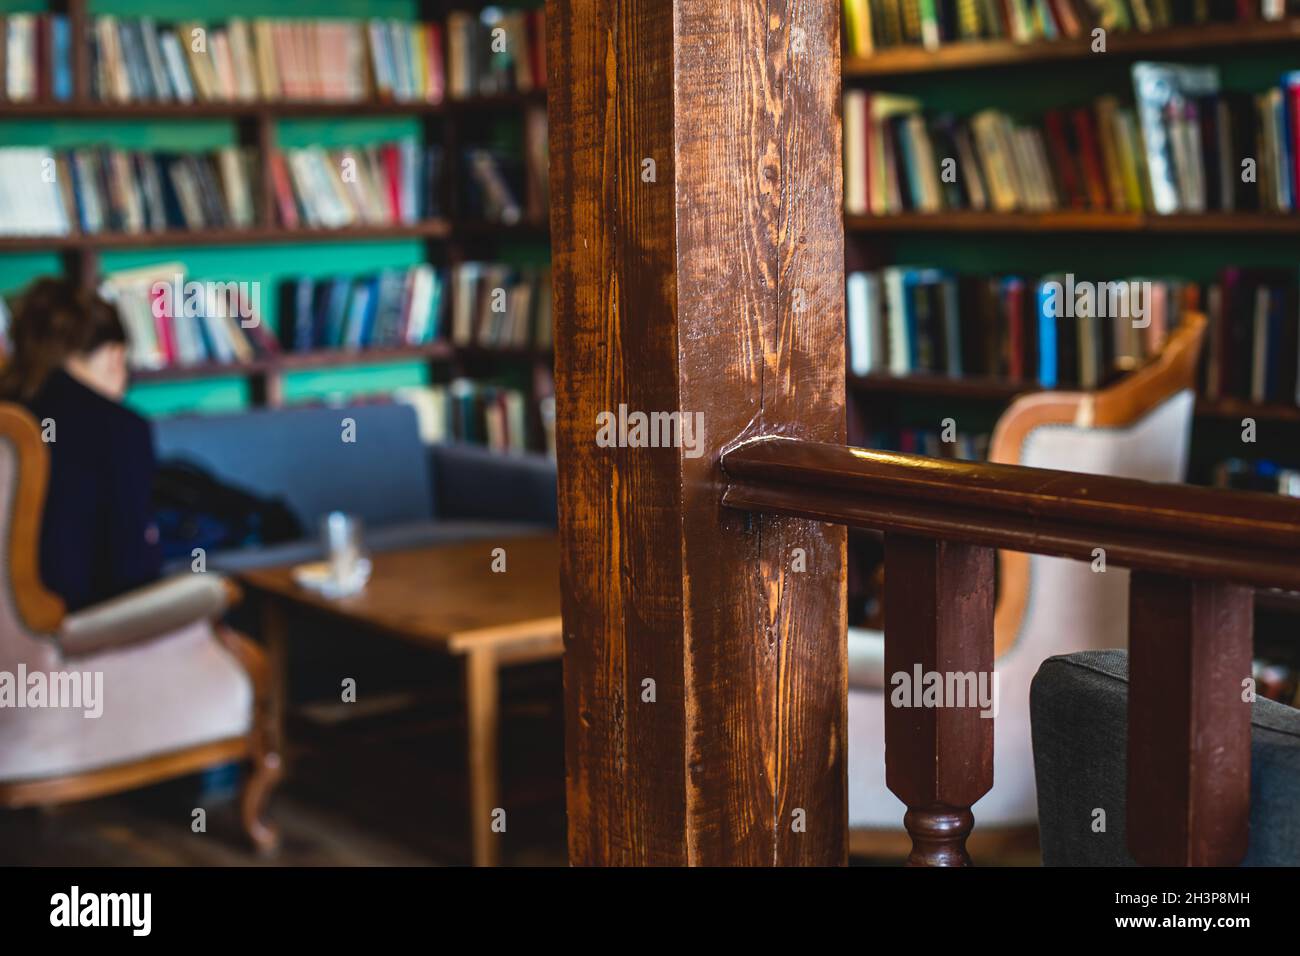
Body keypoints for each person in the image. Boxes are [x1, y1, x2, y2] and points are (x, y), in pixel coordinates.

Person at [0, 277, 160, 611]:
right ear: (115, 355)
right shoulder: (119, 428)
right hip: (74, 630)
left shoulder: (11, 415)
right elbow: (131, 572)